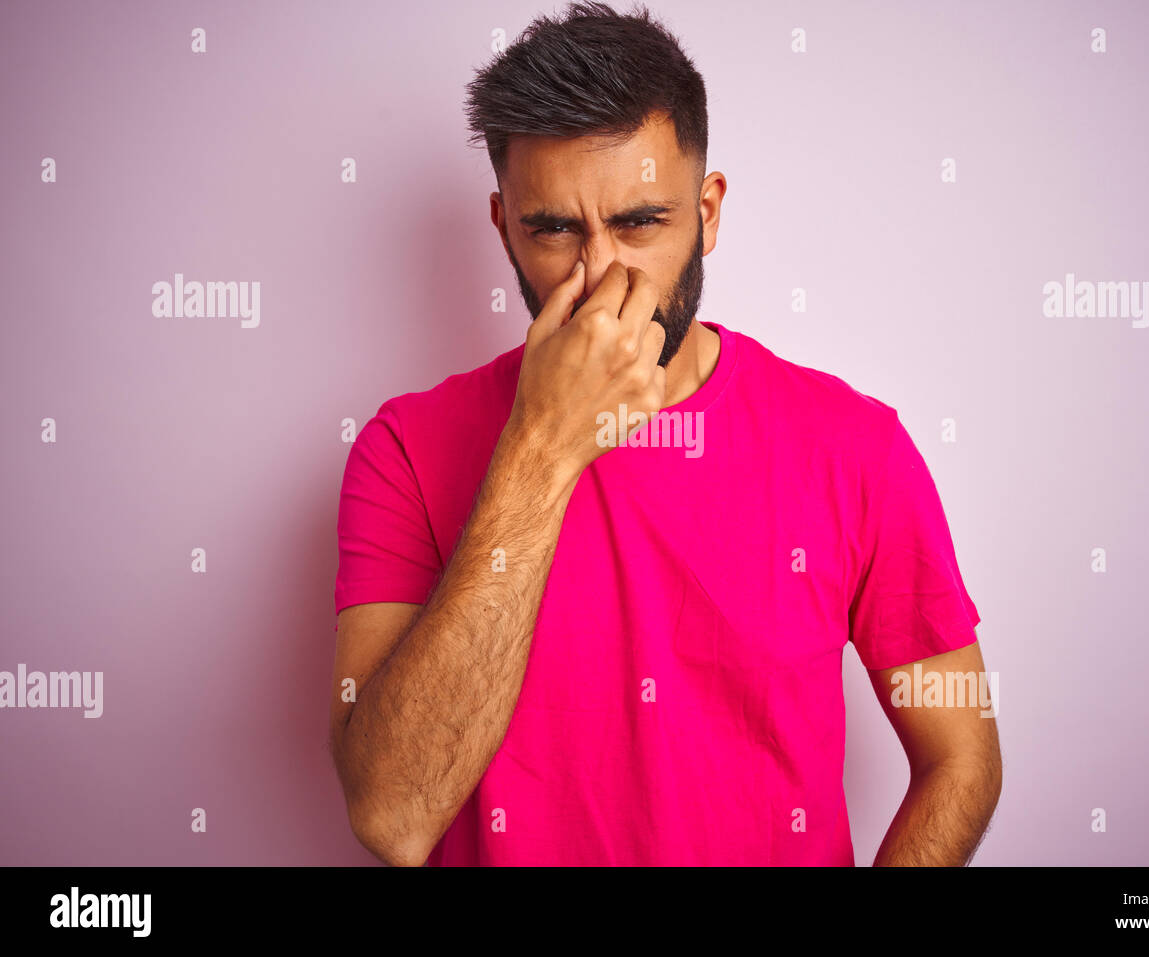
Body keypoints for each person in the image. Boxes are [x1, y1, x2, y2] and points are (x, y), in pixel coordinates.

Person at [329, 1, 1000, 866]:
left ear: (708, 212)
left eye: (641, 222)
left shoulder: (853, 448)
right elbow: (392, 815)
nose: (602, 271)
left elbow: (962, 756)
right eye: (554, 229)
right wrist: (544, 444)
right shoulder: (404, 451)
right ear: (503, 228)